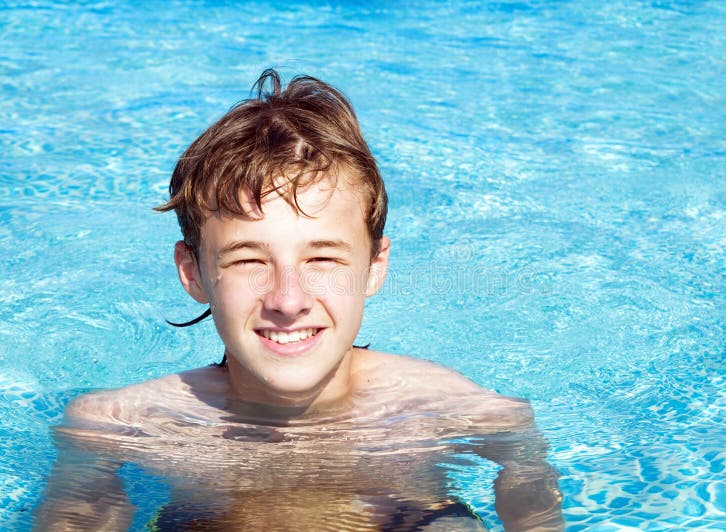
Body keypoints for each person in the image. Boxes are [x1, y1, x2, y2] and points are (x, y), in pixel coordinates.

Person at [35, 69, 563, 531]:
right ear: (192, 272)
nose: (288, 300)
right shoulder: (118, 427)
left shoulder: (463, 415)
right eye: (247, 259)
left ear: (375, 266)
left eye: (323, 258)